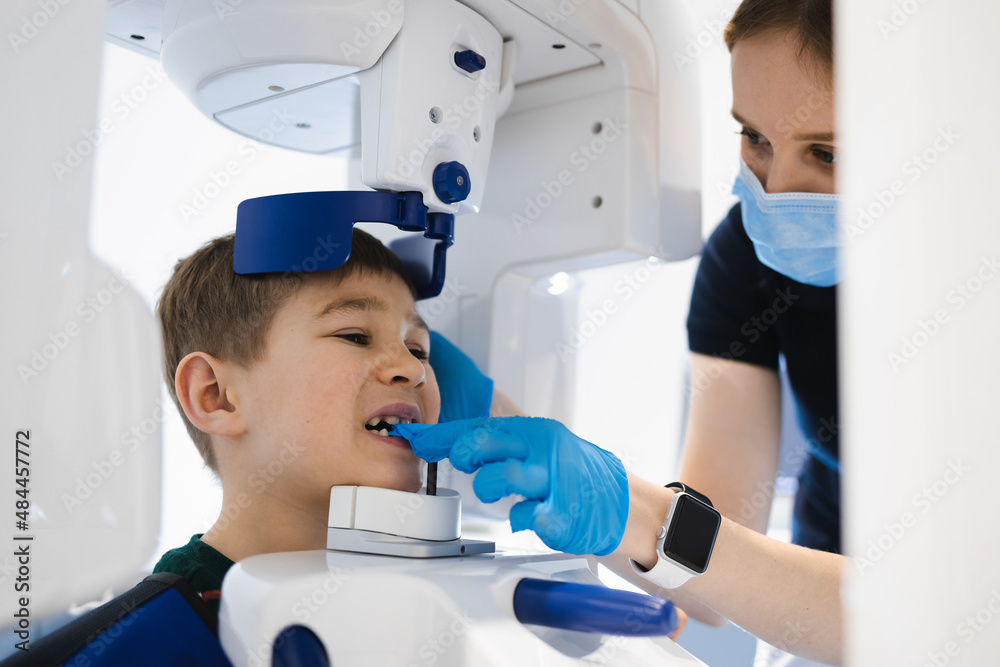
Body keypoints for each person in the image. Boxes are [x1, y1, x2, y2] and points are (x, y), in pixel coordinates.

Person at [404, 0, 845, 664]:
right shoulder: (746, 264)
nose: (774, 187)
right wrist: (502, 425)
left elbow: (940, 605)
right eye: (754, 138)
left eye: (826, 152)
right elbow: (713, 578)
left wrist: (633, 507)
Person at [152, 228, 441, 612]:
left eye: (417, 349)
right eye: (355, 336)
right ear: (216, 396)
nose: (413, 369)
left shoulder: (416, 589)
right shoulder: (173, 622)